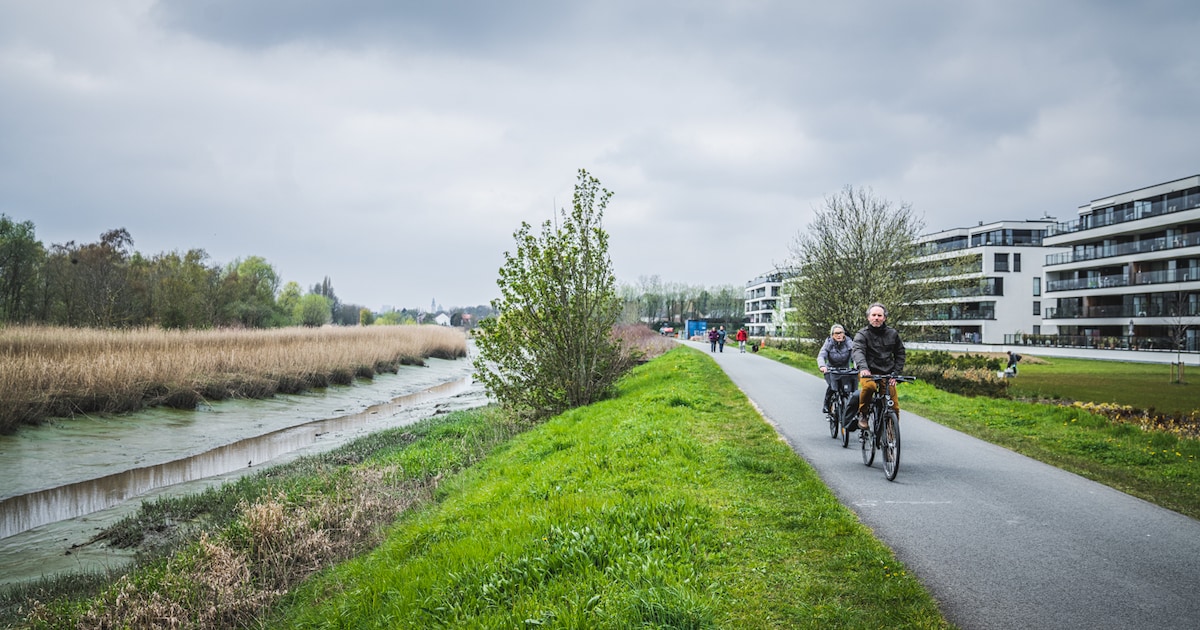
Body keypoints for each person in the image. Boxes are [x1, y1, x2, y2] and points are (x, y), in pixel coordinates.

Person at [851, 303, 906, 431]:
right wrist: (863, 368)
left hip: (887, 374)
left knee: (894, 407)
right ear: (868, 317)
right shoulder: (862, 334)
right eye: (873, 315)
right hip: (868, 372)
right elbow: (858, 352)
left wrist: (895, 374)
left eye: (879, 315)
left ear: (884, 318)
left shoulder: (893, 334)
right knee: (869, 387)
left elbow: (900, 354)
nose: (876, 318)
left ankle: (890, 435)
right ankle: (863, 413)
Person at [816, 323, 856, 414]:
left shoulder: (849, 343)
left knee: (848, 390)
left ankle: (849, 410)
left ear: (844, 333)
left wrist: (857, 366)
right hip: (831, 370)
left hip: (845, 370)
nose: (839, 335)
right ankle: (826, 404)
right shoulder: (829, 343)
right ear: (832, 335)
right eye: (836, 333)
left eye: (841, 333)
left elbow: (855, 356)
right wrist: (822, 366)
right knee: (832, 386)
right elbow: (821, 356)